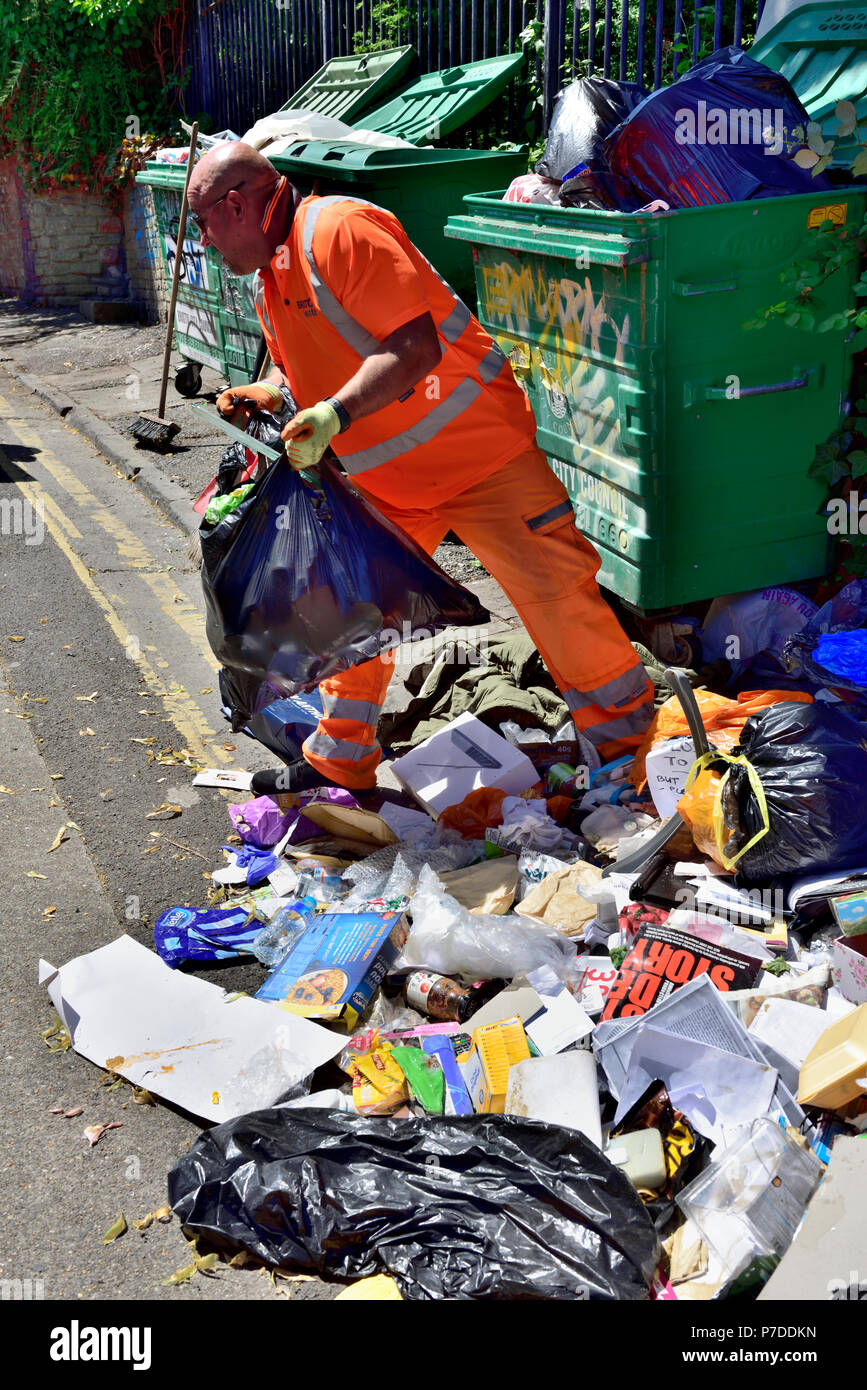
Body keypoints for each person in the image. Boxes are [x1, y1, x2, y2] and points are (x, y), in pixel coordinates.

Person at [187, 143, 653, 793]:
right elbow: (304, 367)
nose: (203, 240)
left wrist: (335, 415)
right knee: (351, 615)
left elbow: (412, 347)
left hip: (482, 457)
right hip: (388, 484)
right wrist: (270, 392)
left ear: (236, 205)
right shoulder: (273, 277)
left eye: (202, 221)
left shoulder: (338, 230)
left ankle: (633, 752)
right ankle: (339, 762)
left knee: (558, 601)